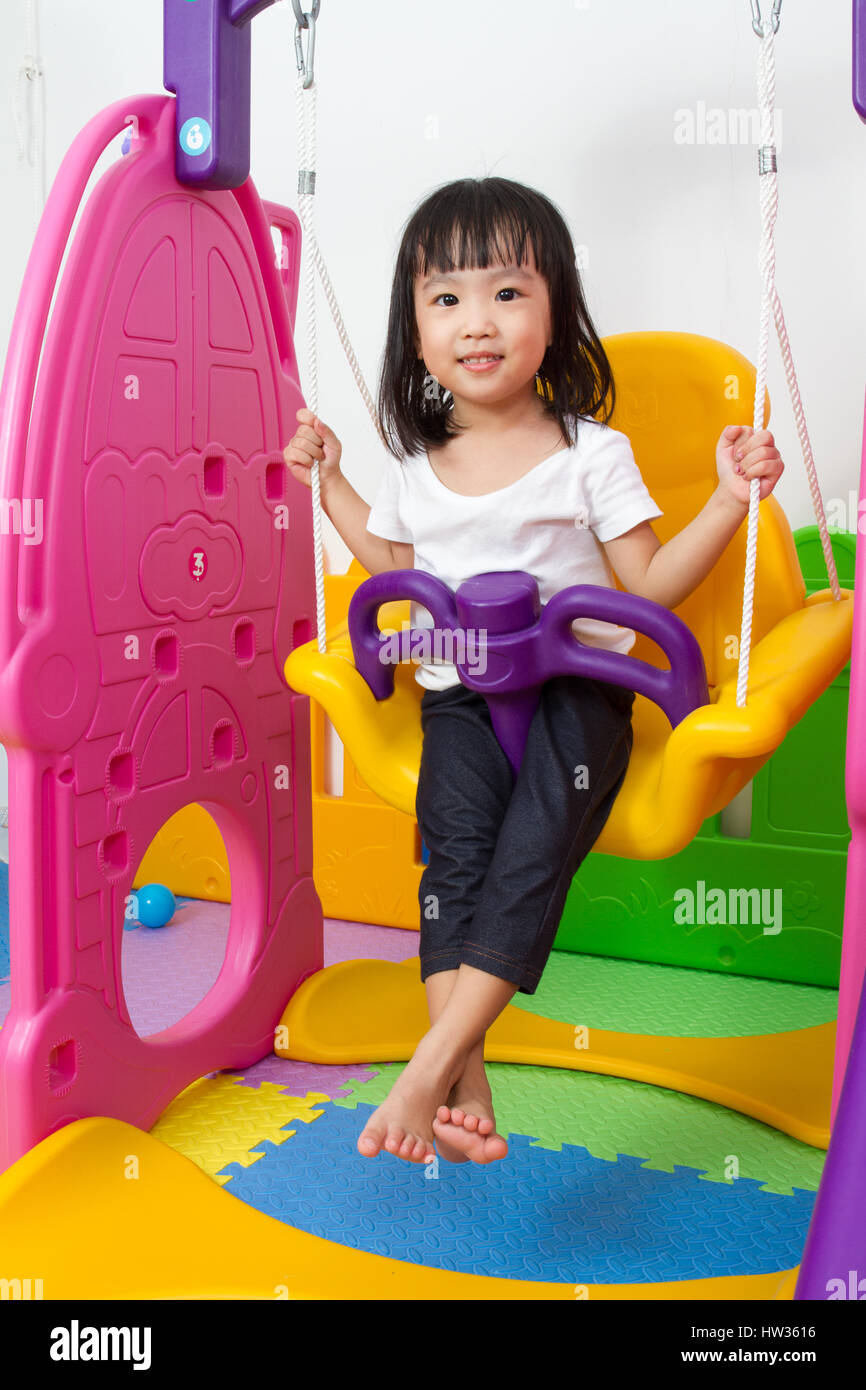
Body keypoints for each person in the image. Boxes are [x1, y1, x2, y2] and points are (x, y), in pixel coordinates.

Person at [283, 176, 784, 1168]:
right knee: (454, 853)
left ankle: (428, 1066)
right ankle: (467, 1076)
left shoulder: (588, 455)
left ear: (554, 312)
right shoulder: (414, 468)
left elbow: (647, 585)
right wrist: (327, 478)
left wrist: (728, 500)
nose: (478, 320)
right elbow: (390, 576)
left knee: (531, 845)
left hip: (576, 694)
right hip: (458, 694)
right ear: (415, 331)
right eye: (446, 298)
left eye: (508, 292)